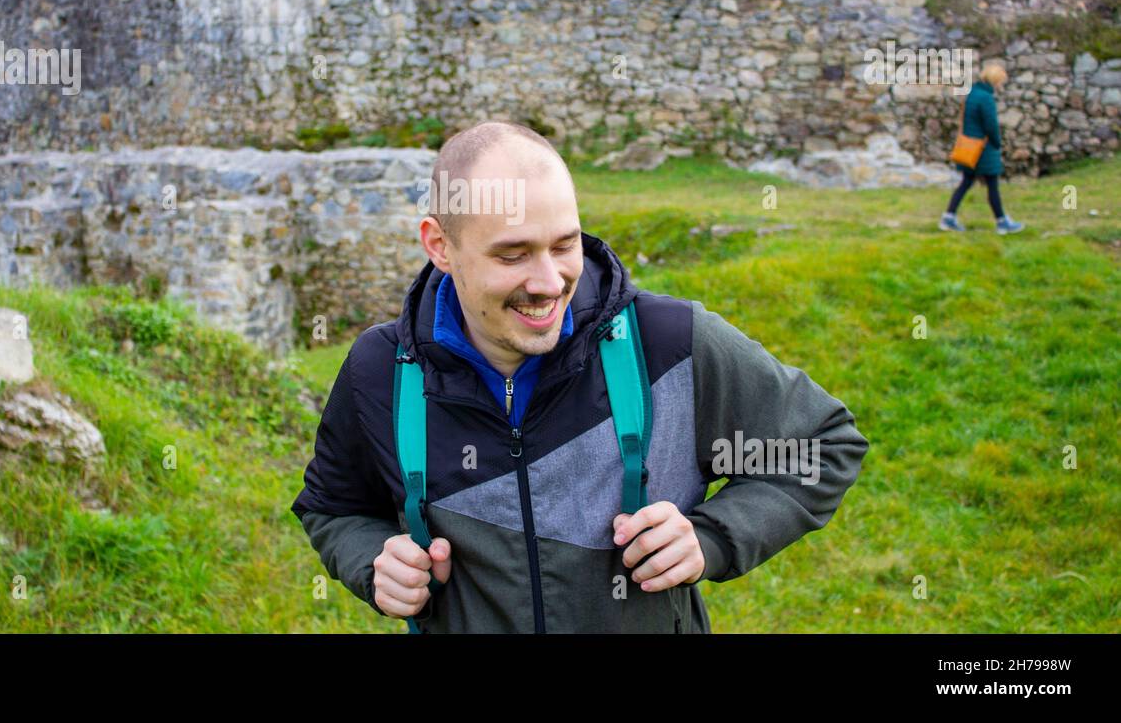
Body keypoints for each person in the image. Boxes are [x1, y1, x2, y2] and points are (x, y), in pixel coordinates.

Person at [290, 121, 869, 633]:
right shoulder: (379, 370)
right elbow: (335, 509)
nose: (549, 283)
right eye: (513, 255)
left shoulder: (669, 342)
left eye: (564, 245)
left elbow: (822, 446)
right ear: (440, 245)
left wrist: (712, 537)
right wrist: (375, 563)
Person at [940, 63, 1025, 234]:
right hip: (983, 149)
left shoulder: (972, 93)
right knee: (992, 185)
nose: (1001, 86)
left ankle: (948, 217)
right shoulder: (986, 98)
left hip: (969, 147)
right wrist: (997, 143)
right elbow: (991, 125)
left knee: (966, 182)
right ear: (995, 81)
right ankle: (1002, 222)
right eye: (1001, 82)